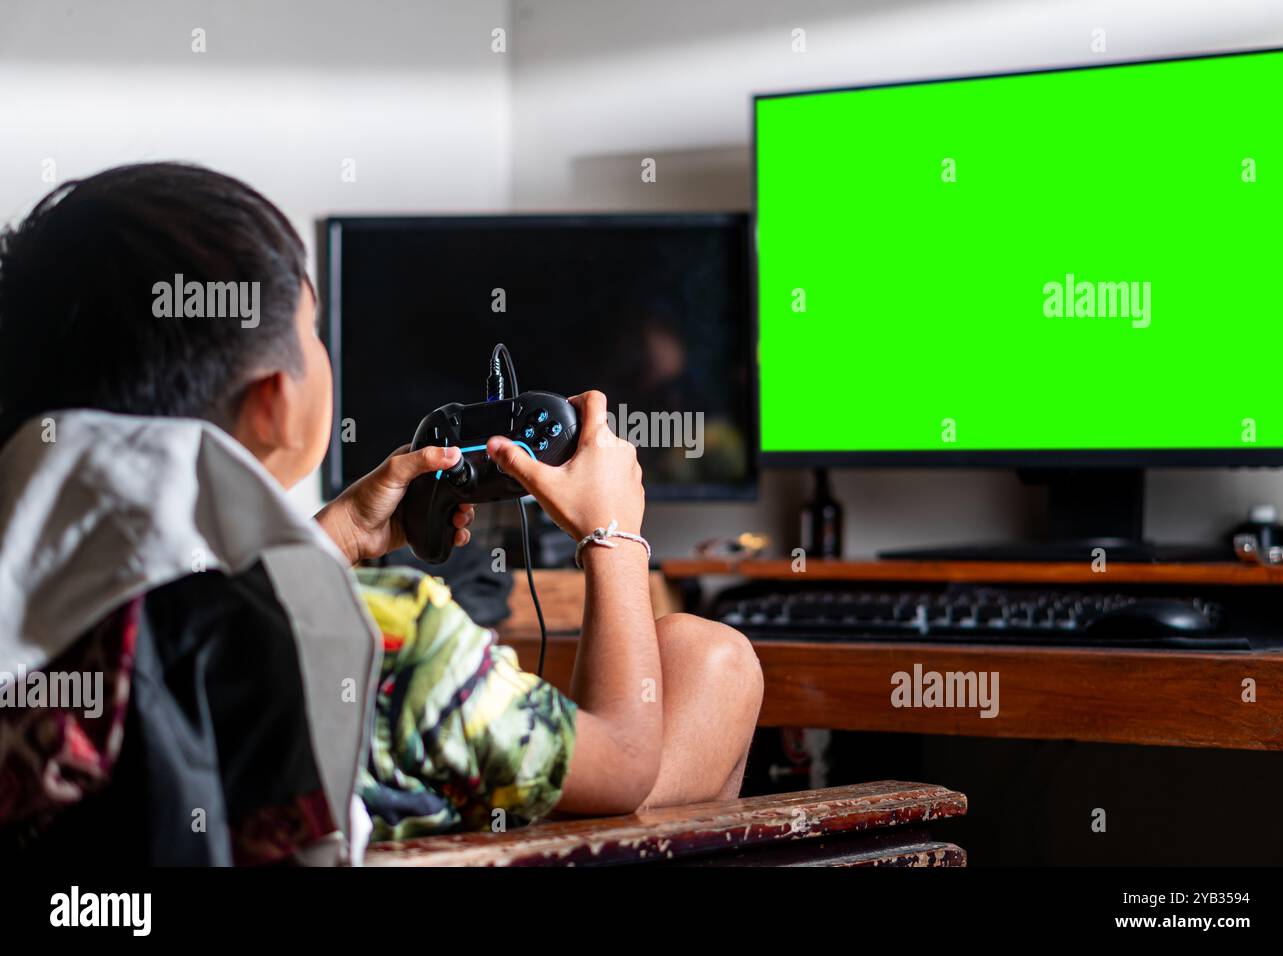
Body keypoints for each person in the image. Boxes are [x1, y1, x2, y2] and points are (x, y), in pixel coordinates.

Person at [0, 162, 764, 864]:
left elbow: (189, 610)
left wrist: (332, 539)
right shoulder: (397, 636)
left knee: (692, 649)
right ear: (273, 403)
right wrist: (614, 535)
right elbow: (625, 765)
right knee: (719, 664)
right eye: (312, 330)